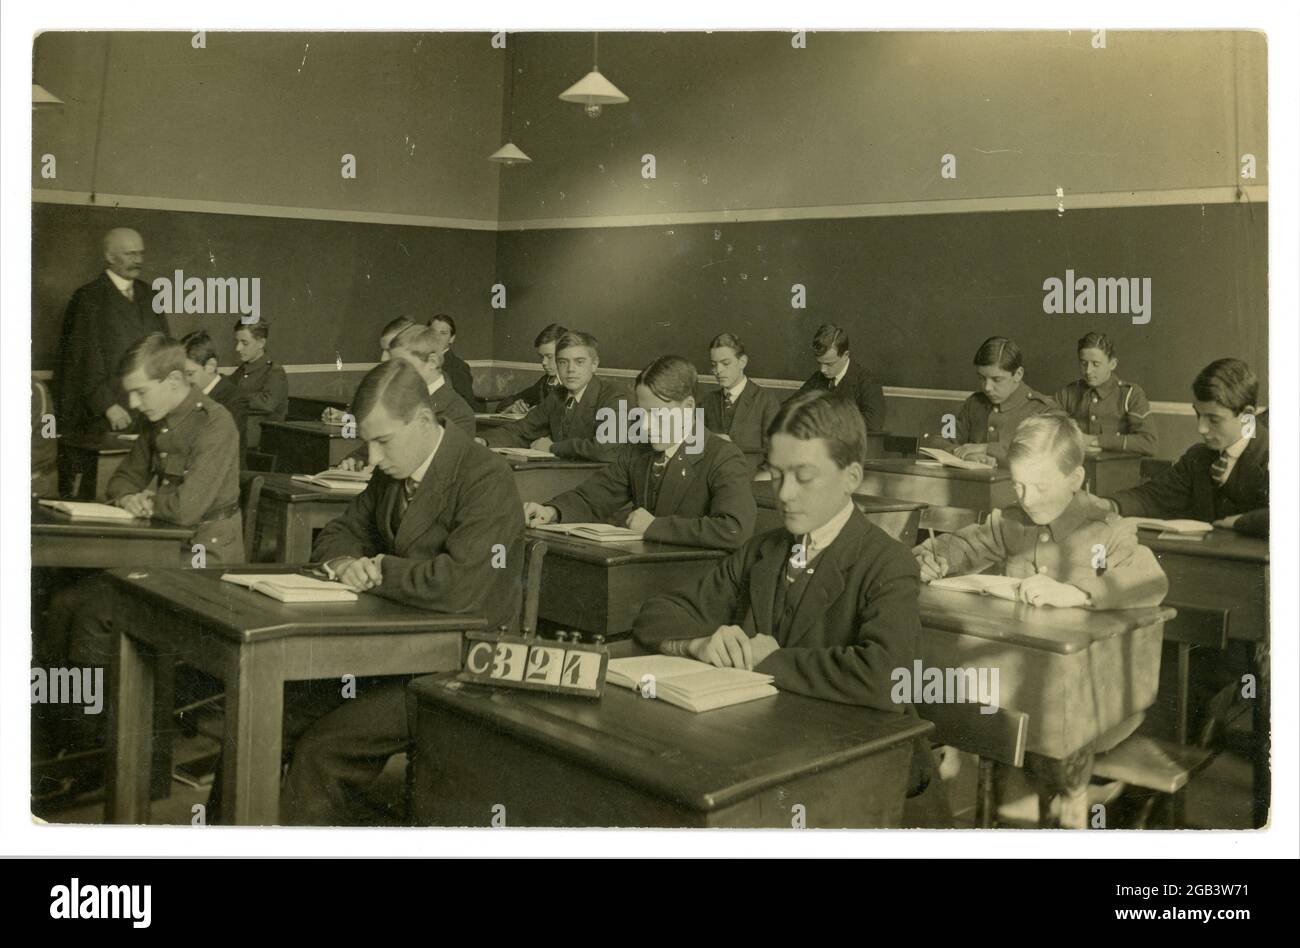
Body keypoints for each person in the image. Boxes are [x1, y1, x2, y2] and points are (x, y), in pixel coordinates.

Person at [216, 359, 524, 825]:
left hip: (457, 665)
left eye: (382, 440)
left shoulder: (485, 476)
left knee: (322, 750)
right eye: (368, 442)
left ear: (423, 420)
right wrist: (343, 562)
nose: (373, 458)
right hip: (388, 655)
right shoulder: (392, 471)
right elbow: (338, 533)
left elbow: (462, 587)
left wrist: (379, 569)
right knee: (260, 715)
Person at [632, 391, 943, 823]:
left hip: (872, 780)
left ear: (851, 476)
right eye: (777, 475)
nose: (784, 494)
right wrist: (697, 644)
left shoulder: (887, 563)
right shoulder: (762, 551)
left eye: (804, 476)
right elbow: (657, 613)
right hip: (769, 755)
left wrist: (768, 661)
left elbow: (887, 679)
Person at [50, 334, 243, 676]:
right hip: (163, 553)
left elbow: (186, 510)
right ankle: (67, 720)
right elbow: (121, 480)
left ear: (173, 380)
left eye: (140, 391)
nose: (135, 404)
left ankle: (102, 721)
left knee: (94, 612)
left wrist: (149, 502)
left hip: (205, 563)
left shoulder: (215, 423)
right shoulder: (158, 422)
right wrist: (128, 497)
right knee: (63, 602)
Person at [523, 355, 756, 550]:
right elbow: (593, 496)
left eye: (656, 414)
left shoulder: (722, 456)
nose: (645, 426)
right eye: (642, 414)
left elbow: (733, 529)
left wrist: (654, 527)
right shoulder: (638, 451)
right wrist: (552, 511)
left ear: (688, 406)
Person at [53, 227, 170, 495]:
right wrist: (106, 406)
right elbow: (81, 361)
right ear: (109, 256)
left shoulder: (150, 295)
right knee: (106, 489)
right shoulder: (88, 298)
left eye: (141, 253)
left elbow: (163, 349)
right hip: (105, 417)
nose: (138, 260)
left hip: (146, 413)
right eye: (130, 254)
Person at [1104, 358, 1267, 537]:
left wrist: (1239, 522)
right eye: (1199, 415)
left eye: (1214, 419)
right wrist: (1109, 505)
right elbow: (1154, 497)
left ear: (1247, 415)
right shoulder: (1198, 457)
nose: (1201, 428)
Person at [479, 331, 628, 462]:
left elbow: (606, 449)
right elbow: (522, 430)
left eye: (579, 362)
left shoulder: (616, 397)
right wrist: (483, 441)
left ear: (594, 365)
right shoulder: (557, 395)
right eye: (563, 362)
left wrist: (552, 448)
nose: (570, 369)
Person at [925, 335, 1054, 466]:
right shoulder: (974, 404)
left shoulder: (1044, 410)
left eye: (997, 379)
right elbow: (937, 441)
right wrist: (963, 454)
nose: (987, 387)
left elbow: (1047, 457)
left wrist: (986, 449)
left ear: (1018, 374)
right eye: (982, 378)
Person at [1053, 331, 1157, 456]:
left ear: (1112, 364)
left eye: (1095, 364)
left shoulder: (1130, 394)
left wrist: (1097, 441)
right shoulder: (1069, 393)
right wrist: (1075, 440)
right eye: (1083, 363)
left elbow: (1149, 443)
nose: (1088, 371)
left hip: (1117, 471)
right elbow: (1046, 426)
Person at [702, 331, 780, 474]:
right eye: (714, 364)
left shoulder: (766, 401)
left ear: (742, 362)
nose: (718, 371)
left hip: (752, 482)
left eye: (725, 363)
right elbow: (693, 447)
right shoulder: (706, 402)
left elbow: (776, 453)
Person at [793, 323, 885, 433]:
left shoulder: (868, 381)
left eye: (829, 364)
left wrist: (825, 419)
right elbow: (790, 406)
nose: (823, 370)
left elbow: (873, 423)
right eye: (820, 363)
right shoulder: (817, 378)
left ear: (845, 355)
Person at [228, 320, 288, 453]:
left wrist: (235, 397)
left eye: (244, 343)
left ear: (261, 343)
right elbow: (226, 389)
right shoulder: (242, 370)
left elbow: (267, 404)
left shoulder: (274, 372)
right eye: (237, 342)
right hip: (241, 439)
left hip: (261, 445)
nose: (238, 348)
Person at [500, 322, 568, 413]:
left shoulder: (575, 384)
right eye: (541, 357)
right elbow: (506, 403)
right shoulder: (545, 382)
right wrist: (512, 407)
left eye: (549, 356)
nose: (543, 362)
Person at [428, 313, 482, 410]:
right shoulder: (420, 361)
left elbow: (464, 404)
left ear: (452, 338)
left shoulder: (458, 366)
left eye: (443, 333)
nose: (437, 337)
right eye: (433, 332)